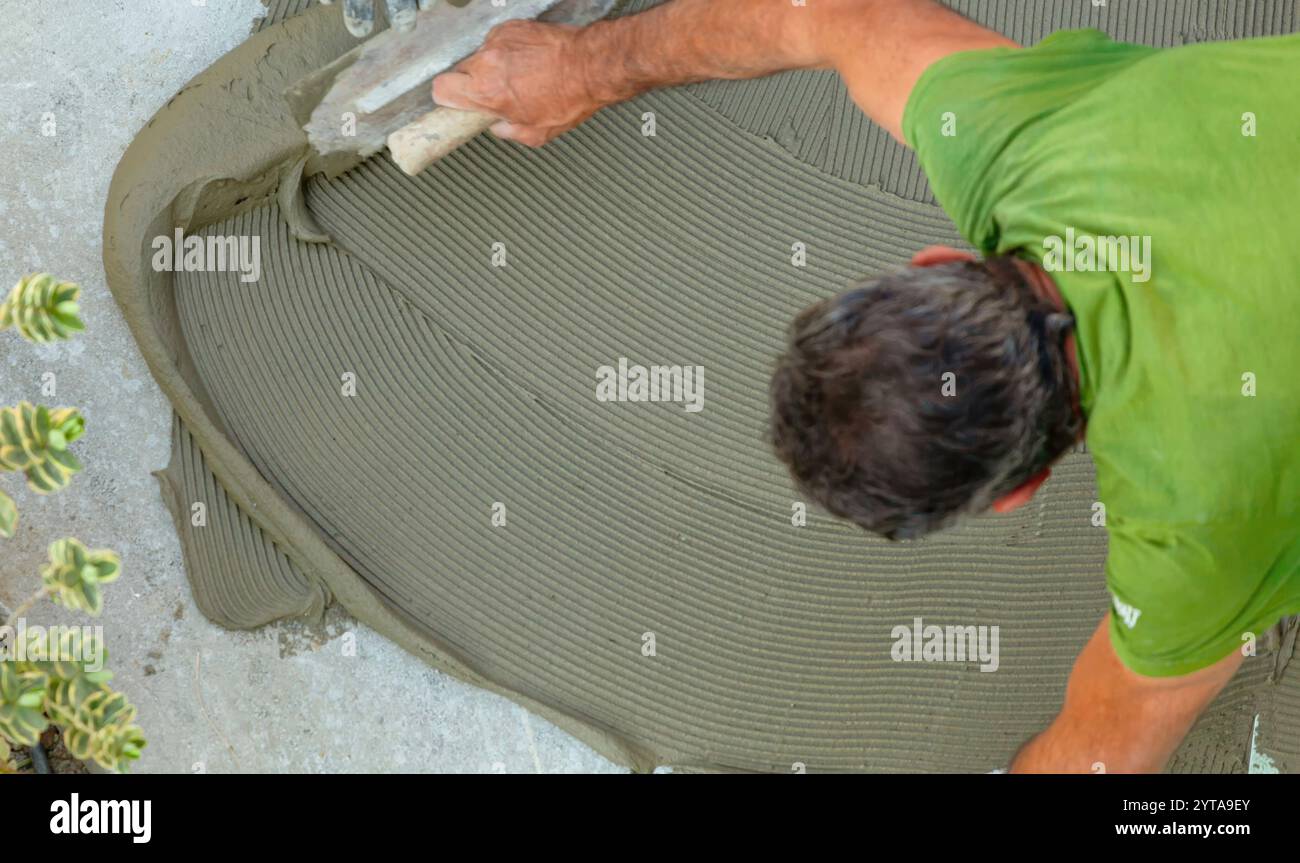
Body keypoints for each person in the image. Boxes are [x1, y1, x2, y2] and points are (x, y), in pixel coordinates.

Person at [429, 0, 1300, 772]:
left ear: (1020, 491)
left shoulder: (1194, 529)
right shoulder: (1027, 136)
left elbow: (1103, 755)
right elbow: (831, 15)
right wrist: (583, 66)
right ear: (939, 259)